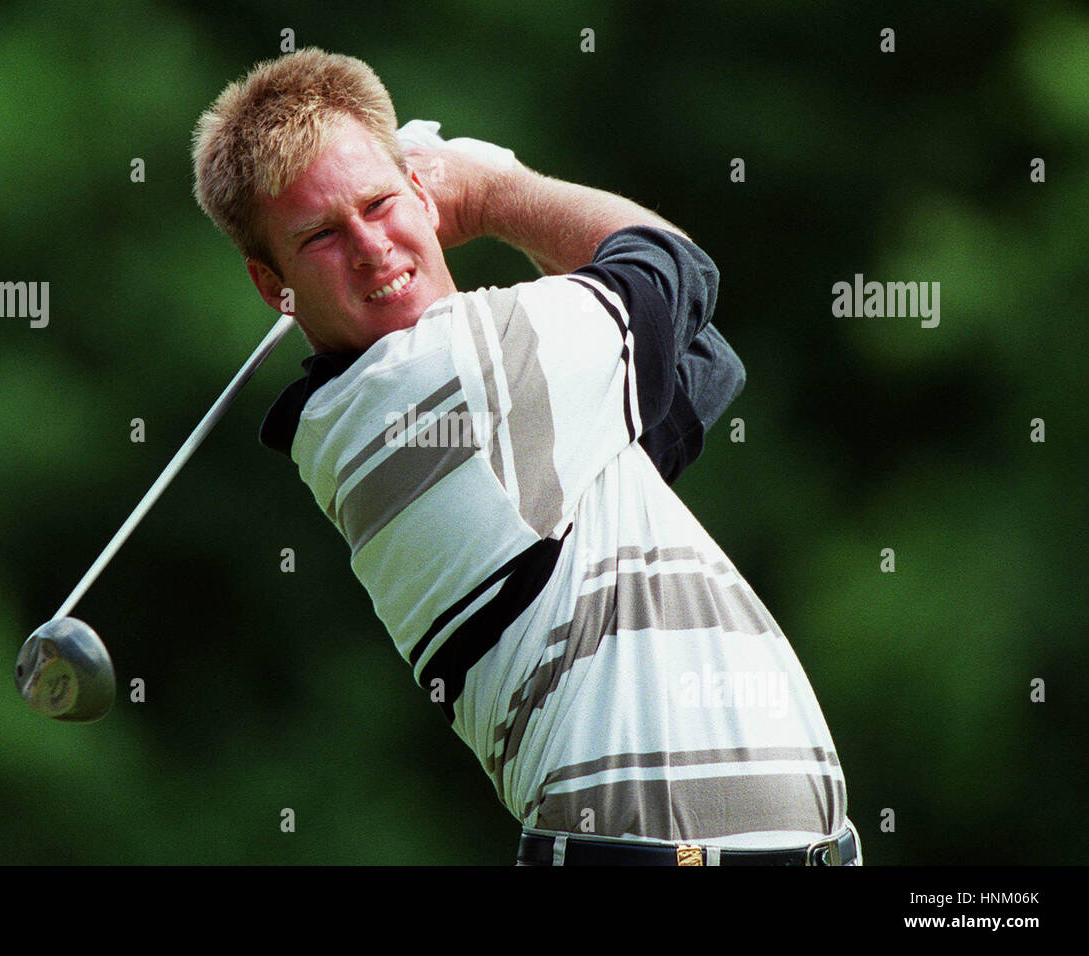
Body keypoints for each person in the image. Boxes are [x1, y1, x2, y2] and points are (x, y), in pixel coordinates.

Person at [192, 47, 860, 865]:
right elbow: (672, 266)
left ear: (413, 195)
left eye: (377, 202)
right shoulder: (438, 374)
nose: (369, 247)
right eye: (322, 235)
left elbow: (696, 365)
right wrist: (491, 187)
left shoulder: (442, 397)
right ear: (274, 287)